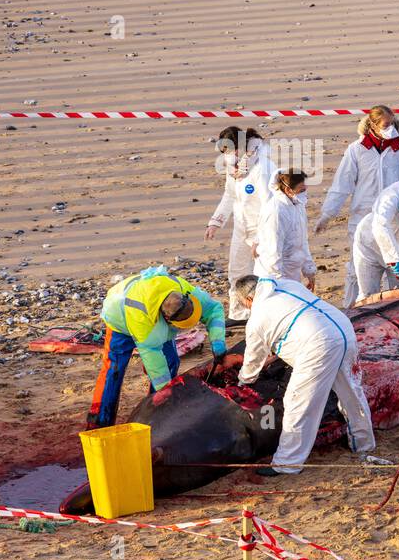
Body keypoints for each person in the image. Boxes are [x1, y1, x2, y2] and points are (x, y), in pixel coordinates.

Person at [234, 273, 375, 475]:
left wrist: (242, 383)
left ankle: (287, 463)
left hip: (318, 345)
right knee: (352, 392)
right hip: (343, 329)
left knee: (298, 403)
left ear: (248, 300)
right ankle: (364, 443)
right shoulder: (287, 284)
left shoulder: (257, 318)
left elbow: (252, 363)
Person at [87, 265, 227, 428]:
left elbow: (214, 309)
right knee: (114, 369)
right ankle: (99, 422)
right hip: (119, 315)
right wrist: (164, 389)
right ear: (166, 320)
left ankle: (155, 415)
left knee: (171, 361)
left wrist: (218, 342)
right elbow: (153, 358)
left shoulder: (182, 289)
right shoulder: (145, 325)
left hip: (149, 311)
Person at [315, 104, 399, 306]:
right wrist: (327, 214)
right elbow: (342, 184)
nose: (391, 128)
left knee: (397, 271)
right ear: (373, 124)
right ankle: (351, 313)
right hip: (362, 220)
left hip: (393, 221)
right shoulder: (357, 150)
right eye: (386, 125)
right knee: (356, 270)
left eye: (392, 123)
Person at [205, 127, 277, 323]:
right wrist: (216, 222)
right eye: (225, 152)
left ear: (241, 146)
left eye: (231, 151)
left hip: (260, 228)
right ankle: (239, 314)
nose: (229, 156)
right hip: (241, 226)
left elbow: (269, 204)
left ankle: (267, 315)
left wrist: (260, 239)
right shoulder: (233, 168)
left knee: (265, 273)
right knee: (236, 271)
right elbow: (230, 195)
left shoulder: (262, 167)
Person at [254, 170, 316, 288]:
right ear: (288, 190)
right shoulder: (276, 213)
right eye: (301, 190)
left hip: (292, 269)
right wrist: (280, 284)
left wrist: (309, 270)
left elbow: (302, 240)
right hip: (274, 275)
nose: (305, 193)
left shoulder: (297, 204)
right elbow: (273, 251)